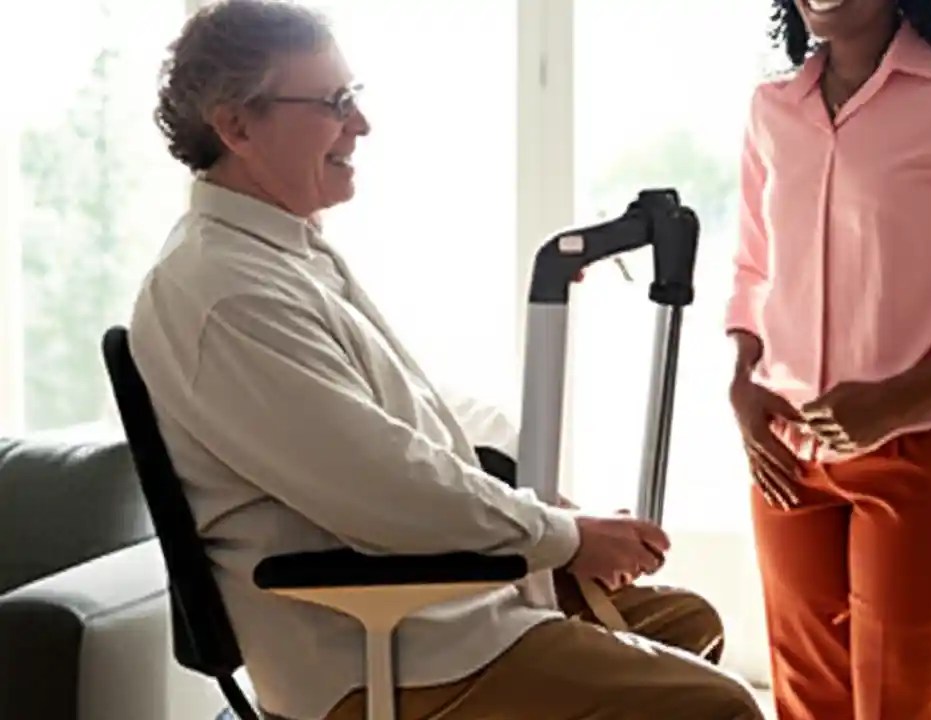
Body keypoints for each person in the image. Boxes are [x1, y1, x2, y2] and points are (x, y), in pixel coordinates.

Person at [129, 2, 763, 719]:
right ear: (237, 125)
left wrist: (548, 511)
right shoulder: (224, 293)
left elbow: (406, 426)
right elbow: (384, 485)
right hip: (376, 654)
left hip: (434, 615)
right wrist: (564, 539)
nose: (359, 125)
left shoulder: (284, 257)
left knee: (690, 622)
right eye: (334, 104)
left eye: (354, 98)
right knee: (720, 709)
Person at [725, 0, 931, 717]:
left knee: (908, 706)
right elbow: (750, 273)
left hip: (920, 457)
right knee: (806, 706)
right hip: (785, 461)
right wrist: (743, 384)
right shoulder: (770, 109)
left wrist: (893, 401)